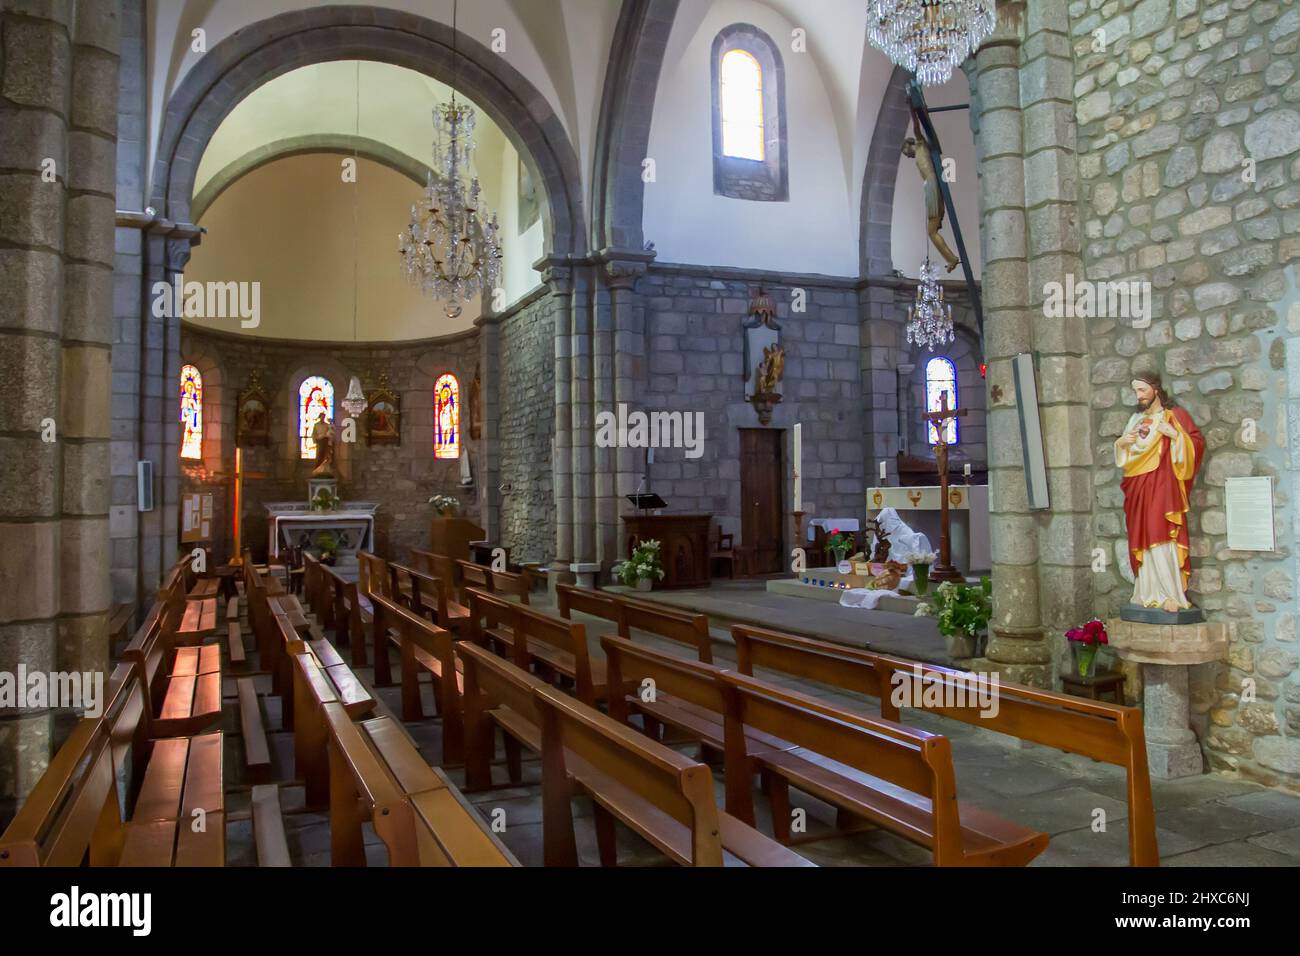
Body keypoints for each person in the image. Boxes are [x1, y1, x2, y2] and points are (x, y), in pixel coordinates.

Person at [1115, 372, 1205, 613]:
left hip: (1163, 485)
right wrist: (1122, 443)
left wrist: (1175, 435)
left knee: (1160, 530)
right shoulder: (1136, 419)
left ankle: (1169, 592)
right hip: (1138, 485)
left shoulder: (1174, 416)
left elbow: (1196, 444)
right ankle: (1146, 591)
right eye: (1136, 391)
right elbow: (1126, 452)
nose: (1139, 395)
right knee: (1141, 534)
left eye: (1142, 390)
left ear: (1156, 389)